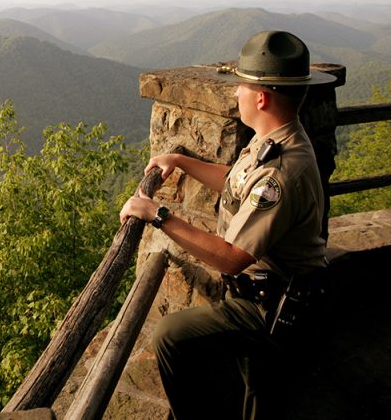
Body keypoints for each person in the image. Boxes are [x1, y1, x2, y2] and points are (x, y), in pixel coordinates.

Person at [119, 30, 336, 419]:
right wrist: (181, 160)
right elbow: (235, 182)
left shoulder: (282, 172)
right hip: (266, 291)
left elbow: (233, 258)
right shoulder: (273, 139)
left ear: (261, 97)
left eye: (240, 87)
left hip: (276, 305)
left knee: (170, 336)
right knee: (259, 392)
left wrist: (158, 215)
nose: (235, 94)